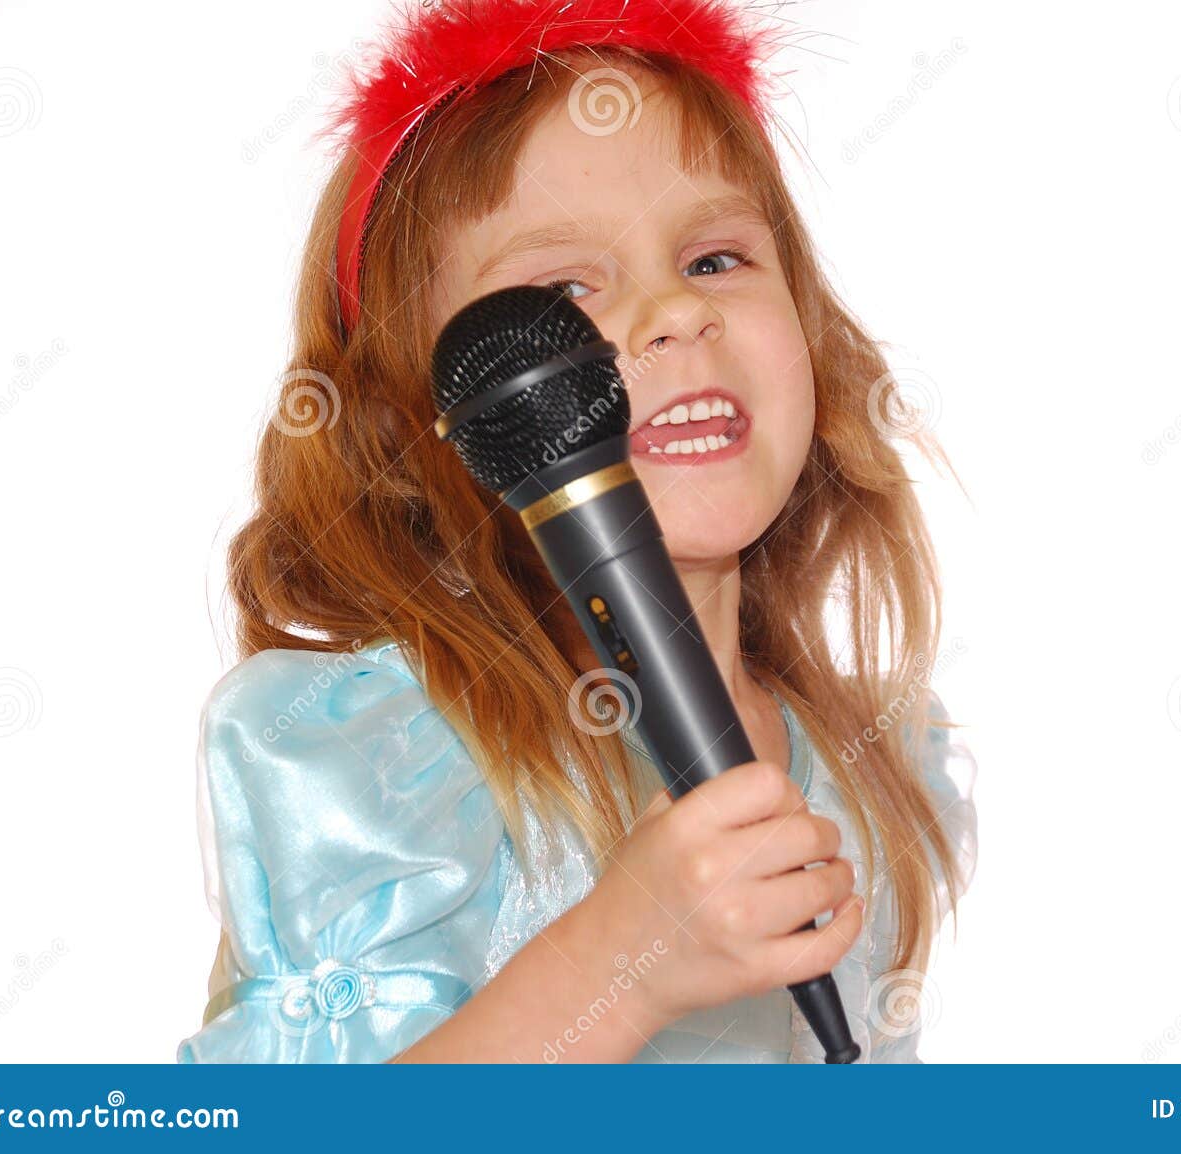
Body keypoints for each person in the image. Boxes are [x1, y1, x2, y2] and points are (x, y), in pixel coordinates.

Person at [177, 0, 976, 1064]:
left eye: (714, 261)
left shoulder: (874, 758)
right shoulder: (379, 759)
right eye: (560, 291)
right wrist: (618, 957)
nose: (672, 313)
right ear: (433, 417)